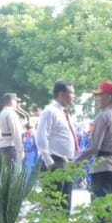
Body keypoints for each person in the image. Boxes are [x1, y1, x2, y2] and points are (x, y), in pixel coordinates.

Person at [35, 80, 80, 212]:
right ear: (61, 93)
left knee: (65, 205)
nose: (73, 96)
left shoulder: (65, 113)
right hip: (55, 161)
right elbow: (41, 136)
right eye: (71, 93)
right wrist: (49, 162)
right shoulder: (50, 111)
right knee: (52, 205)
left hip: (67, 163)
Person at [0, 94, 23, 167]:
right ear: (11, 101)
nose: (17, 103)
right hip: (11, 146)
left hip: (3, 144)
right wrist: (20, 150)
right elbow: (16, 133)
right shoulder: (11, 113)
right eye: (16, 101)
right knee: (13, 173)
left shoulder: (2, 113)